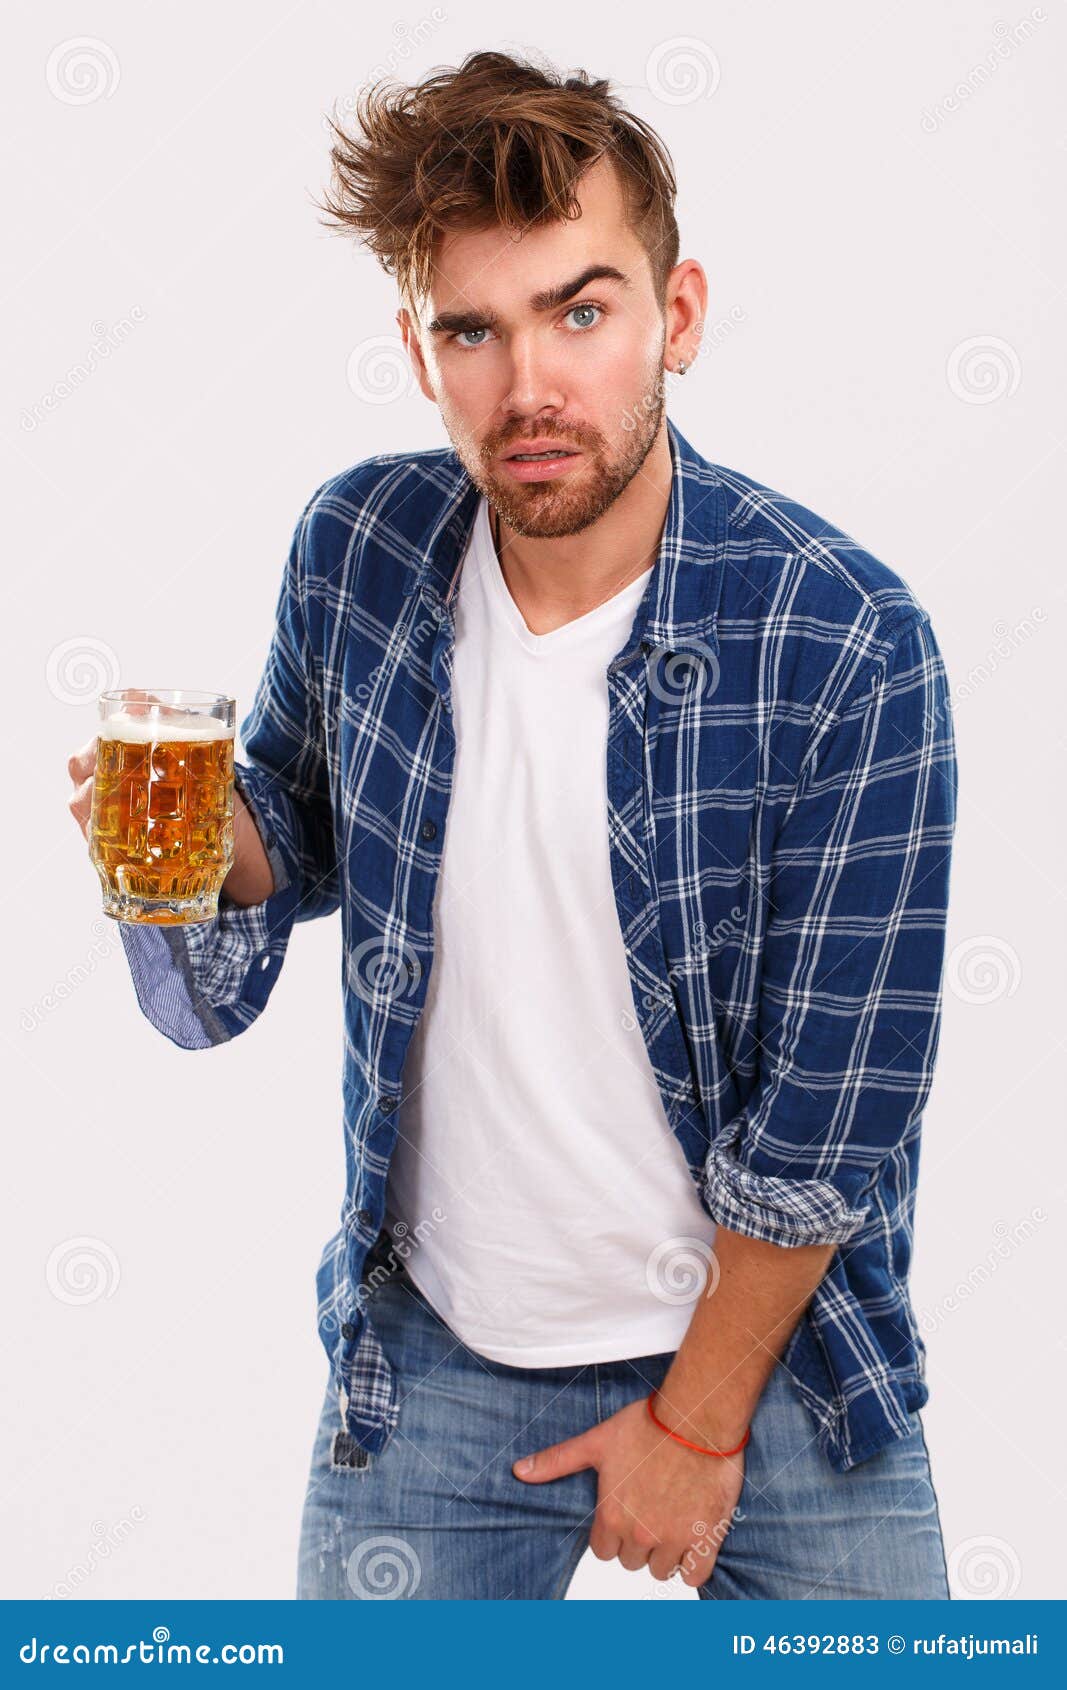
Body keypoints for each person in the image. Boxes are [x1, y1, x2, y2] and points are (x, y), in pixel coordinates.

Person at [67, 49, 958, 1600]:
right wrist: (208, 849)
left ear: (676, 316)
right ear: (420, 353)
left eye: (580, 312)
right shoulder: (361, 543)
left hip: (772, 1347)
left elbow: (838, 1107)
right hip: (444, 1353)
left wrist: (696, 1419)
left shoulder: (847, 639)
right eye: (472, 329)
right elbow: (307, 828)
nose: (528, 387)